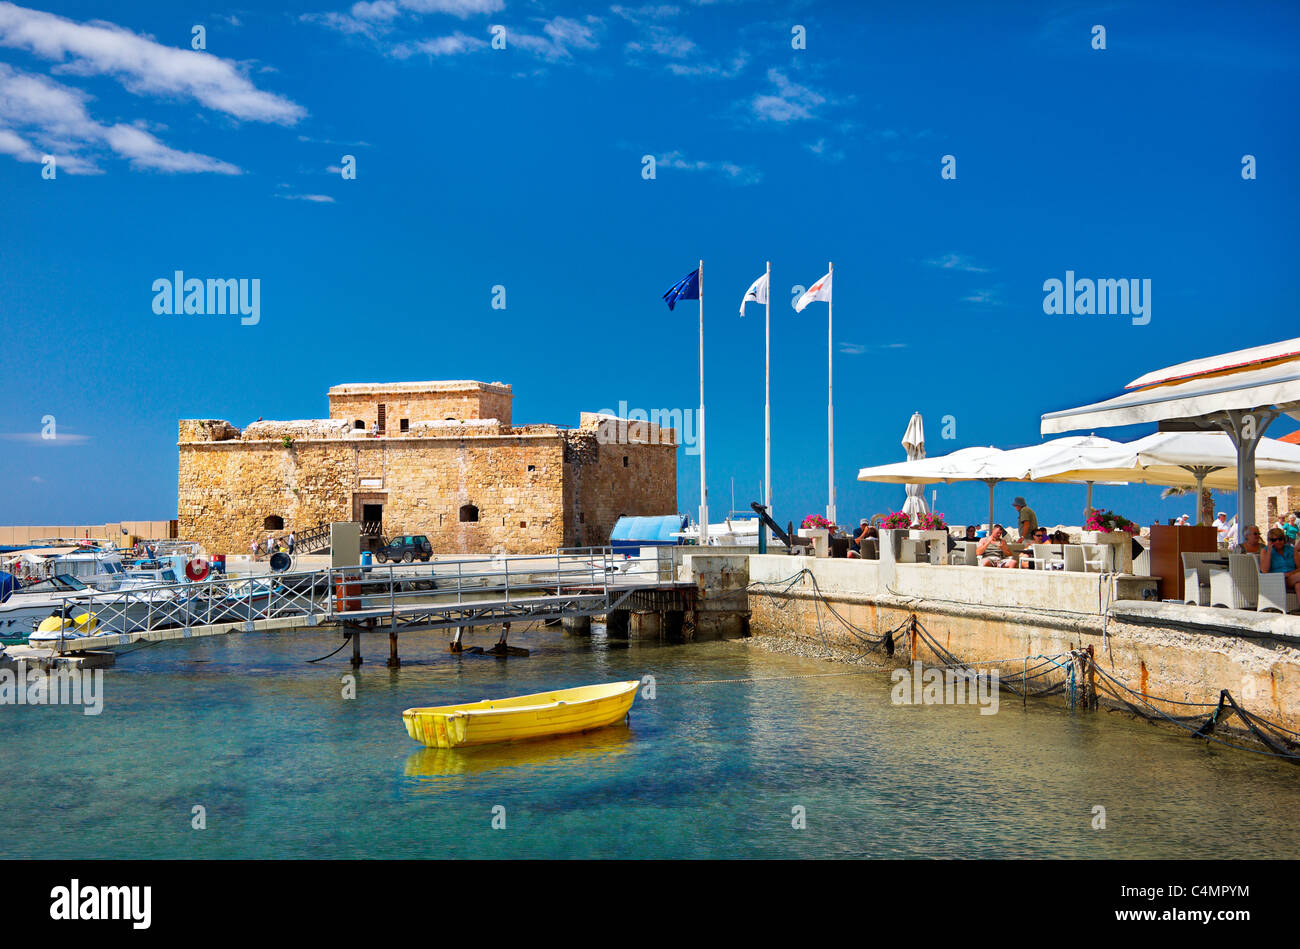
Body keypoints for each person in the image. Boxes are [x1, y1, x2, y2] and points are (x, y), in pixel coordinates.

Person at [1261, 528, 1300, 603]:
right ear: (1270, 541)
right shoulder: (1265, 551)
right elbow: (1264, 571)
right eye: (1274, 540)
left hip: (1291, 578)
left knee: (1298, 585)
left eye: (1280, 539)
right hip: (1276, 580)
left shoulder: (1291, 550)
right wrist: (1269, 552)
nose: (1278, 542)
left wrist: (1289, 574)